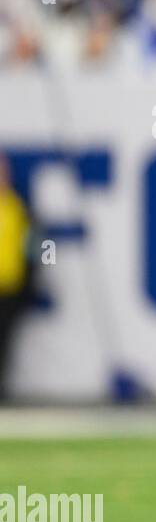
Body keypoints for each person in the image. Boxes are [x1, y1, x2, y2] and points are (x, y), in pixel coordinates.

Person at [0, 153, 33, 401]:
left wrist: (37, 277)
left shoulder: (19, 208)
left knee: (5, 341)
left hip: (10, 288)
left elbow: (42, 245)